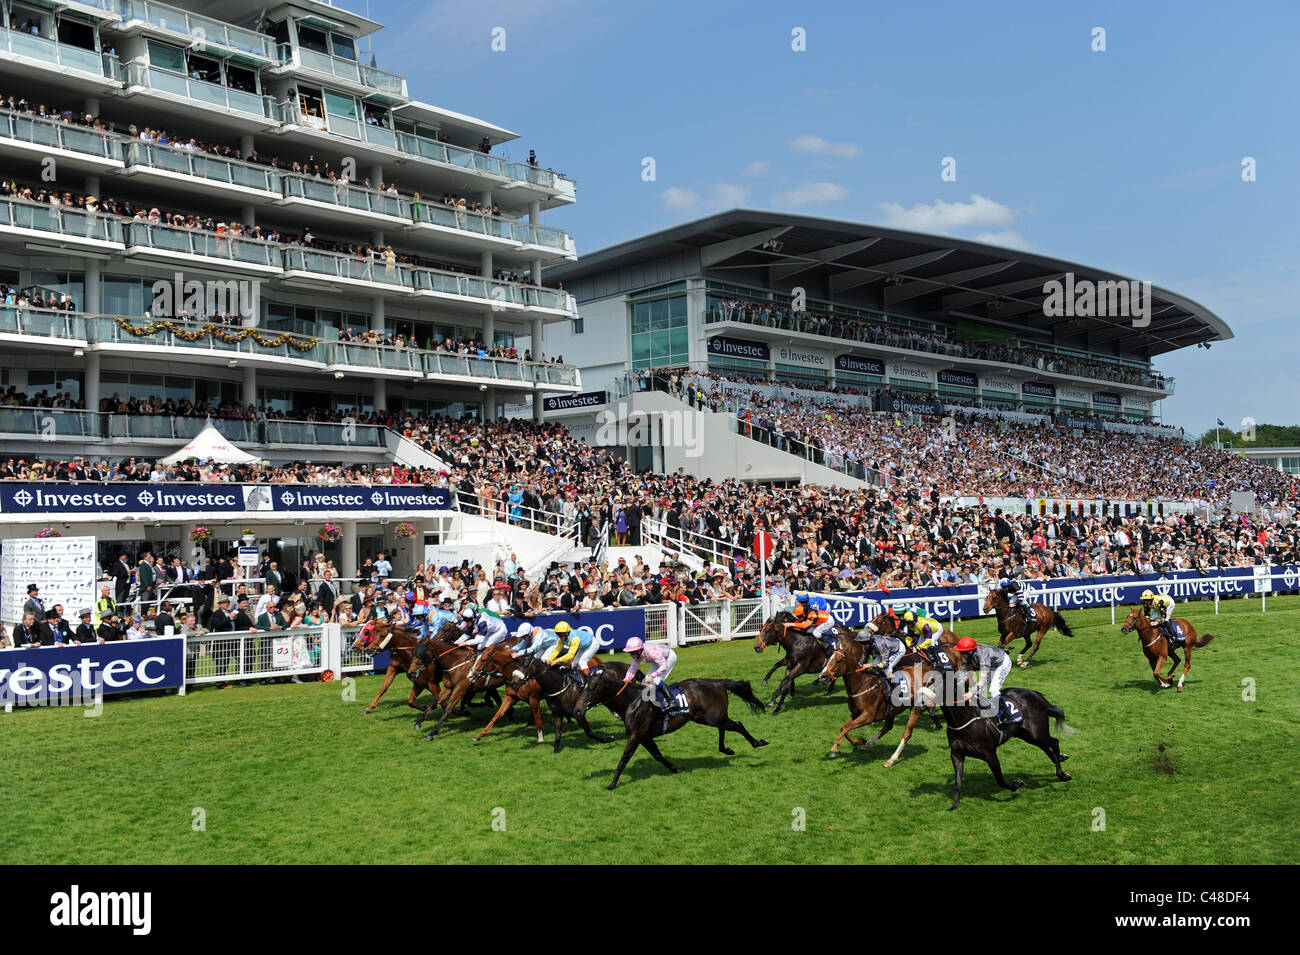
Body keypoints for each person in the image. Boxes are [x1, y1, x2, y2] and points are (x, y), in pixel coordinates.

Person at [953, 636, 1017, 726]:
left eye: (962, 652)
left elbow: (982, 680)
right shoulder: (968, 655)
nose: (960, 654)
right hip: (992, 665)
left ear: (970, 652)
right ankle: (984, 713)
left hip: (1002, 663)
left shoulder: (983, 656)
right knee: (979, 691)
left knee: (993, 690)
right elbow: (963, 673)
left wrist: (970, 692)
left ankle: (1012, 715)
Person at [621, 636, 679, 714]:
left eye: (632, 653)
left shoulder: (651, 652)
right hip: (658, 660)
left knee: (655, 680)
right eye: (630, 653)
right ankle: (653, 702)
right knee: (646, 681)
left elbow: (664, 666)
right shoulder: (638, 654)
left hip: (669, 657)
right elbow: (633, 668)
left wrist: (653, 675)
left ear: (639, 651)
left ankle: (672, 701)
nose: (631, 655)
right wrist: (627, 678)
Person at [545, 623, 598, 688]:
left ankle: (590, 683)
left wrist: (556, 661)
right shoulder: (561, 639)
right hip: (583, 646)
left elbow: (570, 655)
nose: (559, 636)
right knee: (574, 664)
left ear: (566, 633)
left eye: (560, 634)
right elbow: (557, 651)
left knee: (582, 662)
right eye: (557, 634)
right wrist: (549, 660)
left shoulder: (575, 638)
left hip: (592, 644)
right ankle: (576, 679)